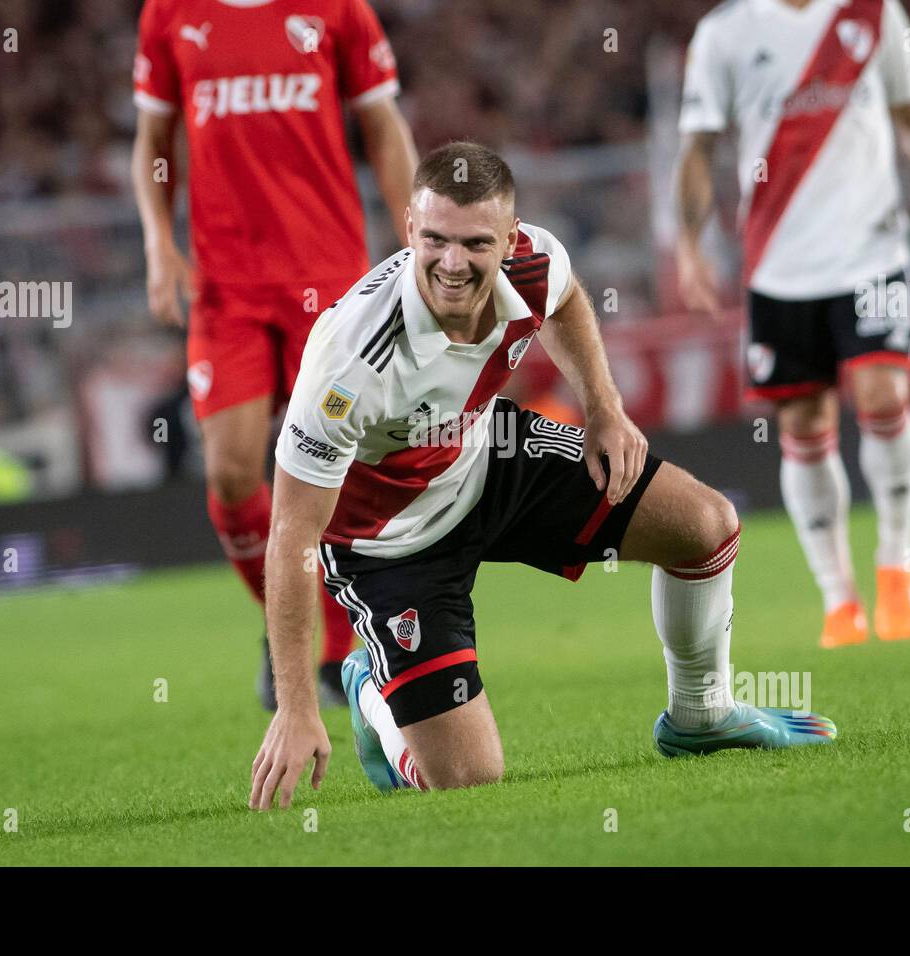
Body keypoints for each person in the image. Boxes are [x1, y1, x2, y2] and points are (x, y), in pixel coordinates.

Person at [248, 142, 836, 809]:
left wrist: (604, 407)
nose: (452, 262)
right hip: (390, 545)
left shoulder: (534, 259)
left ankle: (701, 717)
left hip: (489, 458)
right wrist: (296, 707)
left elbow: (566, 300)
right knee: (468, 779)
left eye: (475, 243)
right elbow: (293, 533)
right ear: (409, 228)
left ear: (508, 238)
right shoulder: (350, 360)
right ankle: (371, 689)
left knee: (706, 526)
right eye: (434, 239)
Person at [131, 0, 419, 706]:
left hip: (328, 278)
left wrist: (418, 237)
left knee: (344, 469)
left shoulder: (337, 9)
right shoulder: (170, 13)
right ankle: (288, 620)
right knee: (231, 476)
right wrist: (156, 240)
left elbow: (382, 126)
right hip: (226, 286)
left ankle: (340, 645)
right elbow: (154, 140)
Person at [675, 0, 910, 648]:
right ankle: (839, 599)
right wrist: (692, 244)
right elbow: (699, 146)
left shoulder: (873, 12)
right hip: (778, 262)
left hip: (872, 249)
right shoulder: (725, 34)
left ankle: (896, 561)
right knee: (803, 423)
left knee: (883, 391)